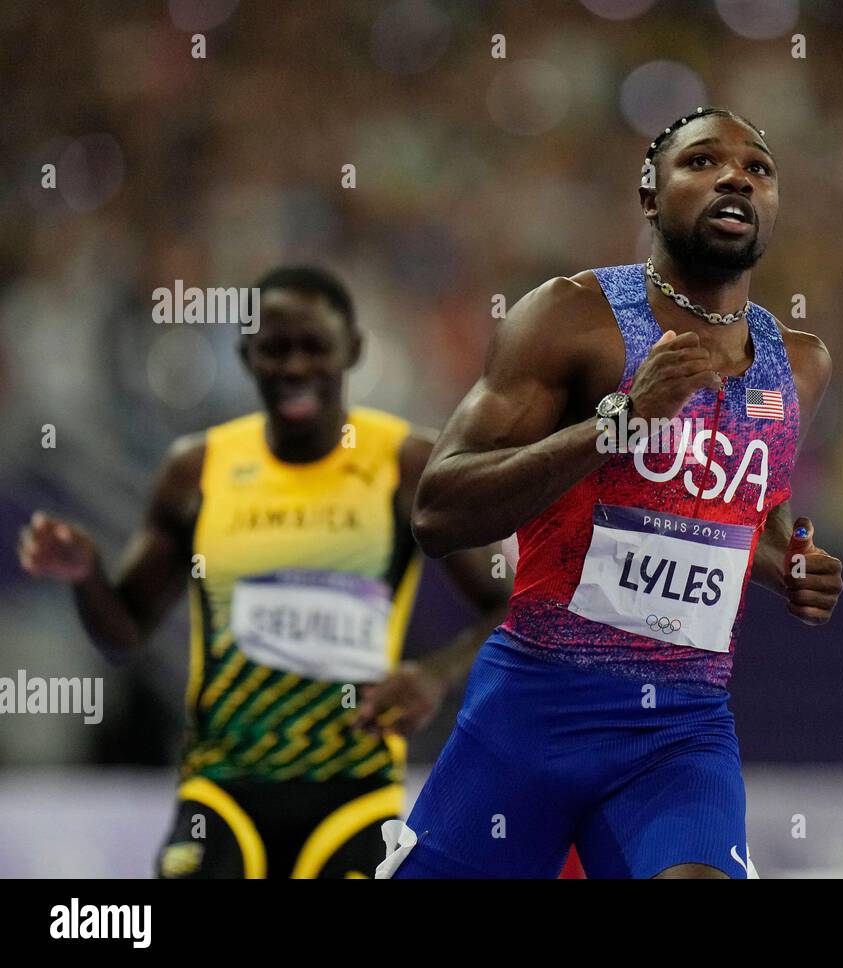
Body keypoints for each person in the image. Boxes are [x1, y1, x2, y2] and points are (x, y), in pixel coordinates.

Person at [385, 108, 843, 879]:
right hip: (533, 711)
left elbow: (747, 507)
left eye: (758, 169)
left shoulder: (799, 365)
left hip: (682, 727)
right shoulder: (573, 318)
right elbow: (440, 509)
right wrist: (623, 422)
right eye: (702, 161)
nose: (736, 176)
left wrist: (787, 563)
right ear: (650, 194)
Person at [17, 266, 507, 878]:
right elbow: (123, 633)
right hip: (222, 789)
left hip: (353, 792)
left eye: (314, 348)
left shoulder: (406, 464)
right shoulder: (196, 470)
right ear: (247, 354)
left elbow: (513, 605)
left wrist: (435, 675)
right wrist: (86, 574)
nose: (295, 368)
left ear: (351, 350)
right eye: (276, 349)